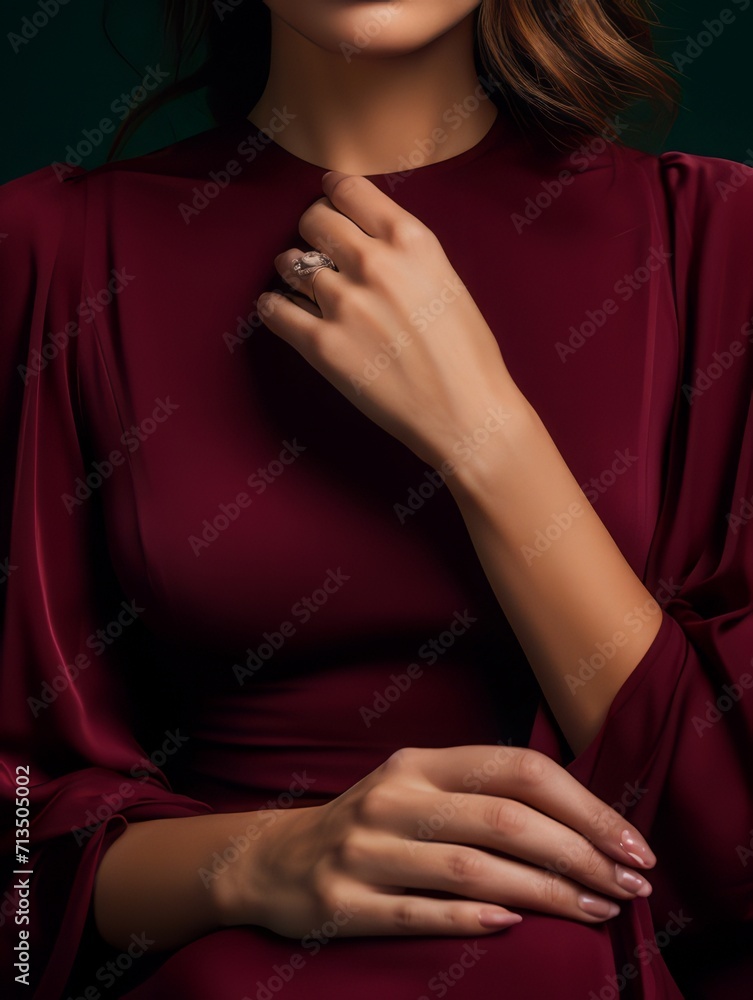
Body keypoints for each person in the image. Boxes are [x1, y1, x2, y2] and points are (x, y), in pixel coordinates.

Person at [1, 2, 751, 997]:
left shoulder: (716, 243)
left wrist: (486, 431)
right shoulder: (44, 252)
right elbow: (15, 862)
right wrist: (259, 861)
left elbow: (738, 836)